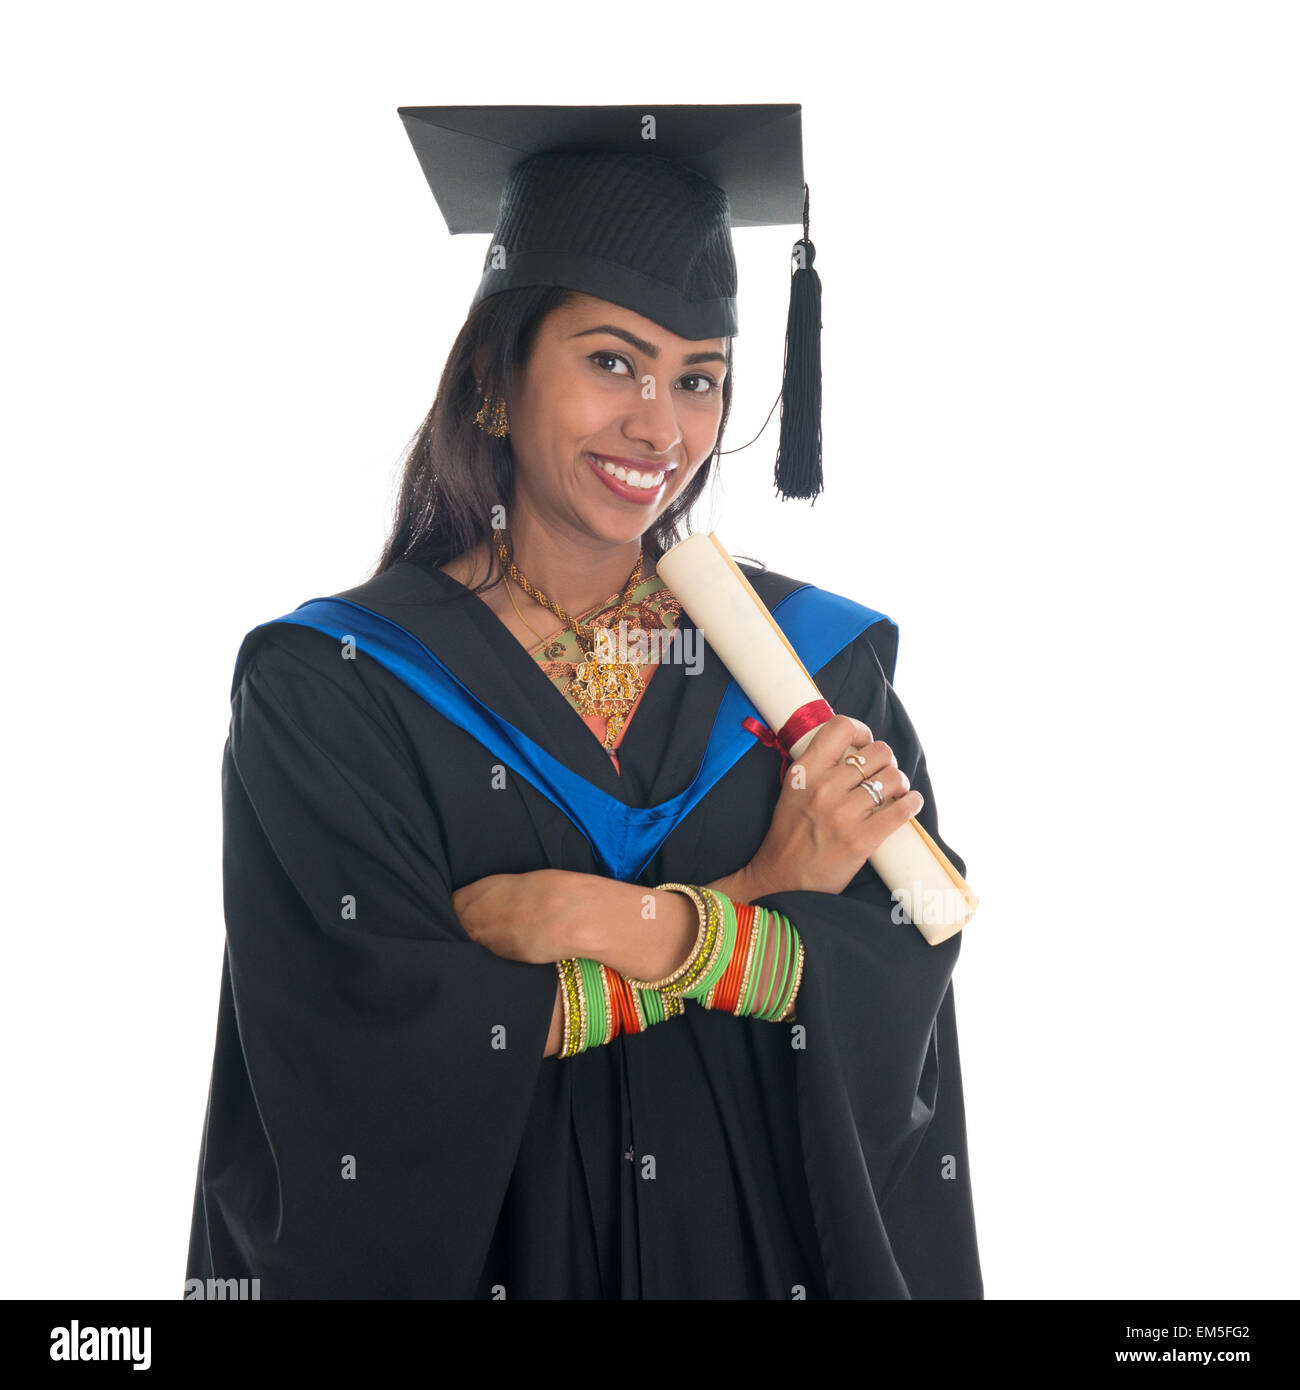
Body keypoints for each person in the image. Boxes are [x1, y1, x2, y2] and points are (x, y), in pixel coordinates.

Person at [184, 104, 983, 1299]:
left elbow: (907, 962)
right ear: (499, 375)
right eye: (612, 361)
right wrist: (758, 899)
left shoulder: (813, 665)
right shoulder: (333, 687)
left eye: (698, 378)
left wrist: (629, 925)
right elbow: (364, 1038)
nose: (659, 427)